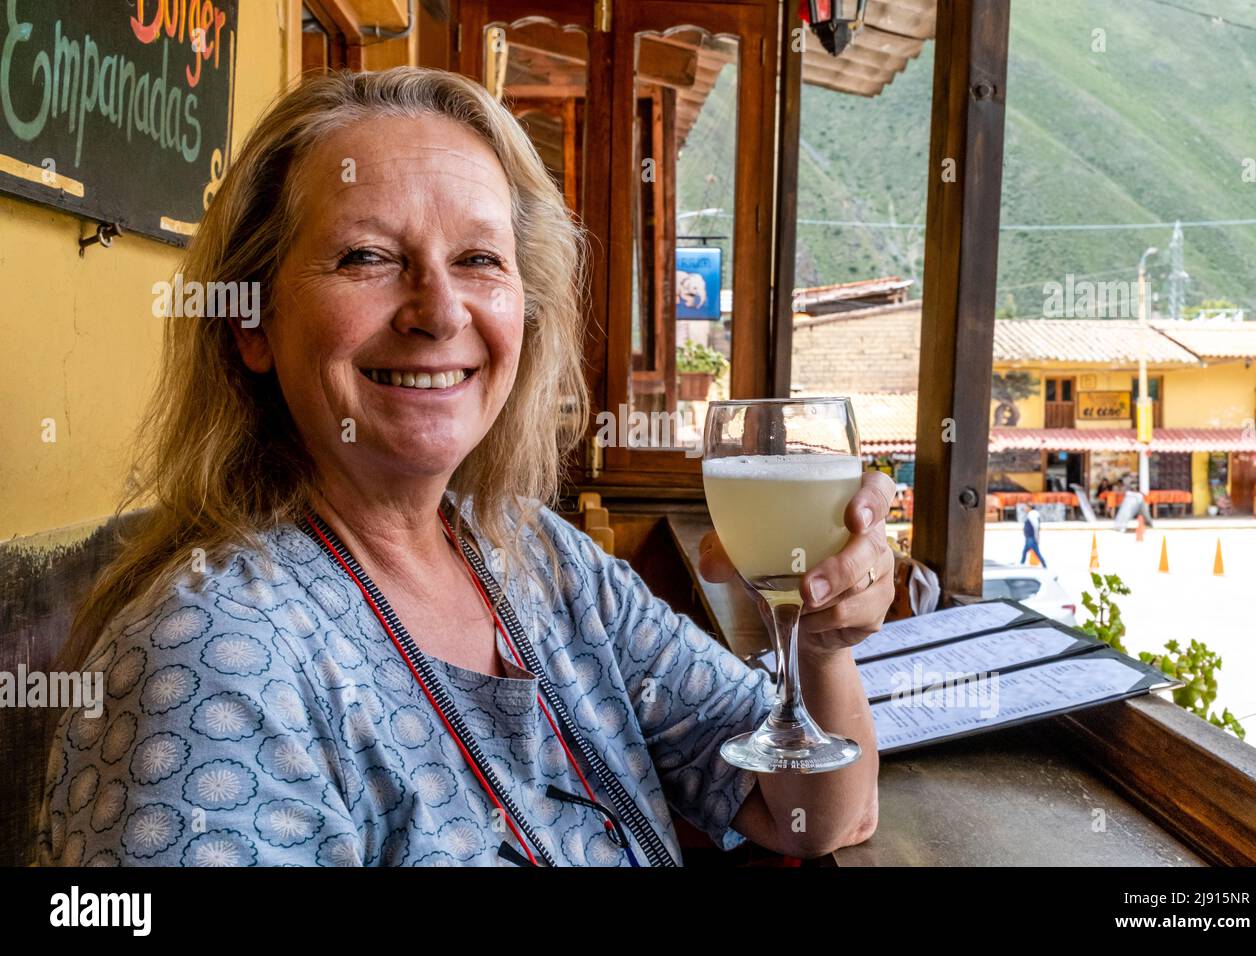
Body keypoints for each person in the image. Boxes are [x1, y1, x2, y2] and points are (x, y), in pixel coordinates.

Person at [36, 68, 895, 867]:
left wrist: (820, 647)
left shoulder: (535, 555)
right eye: (367, 257)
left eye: (479, 260)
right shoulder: (210, 662)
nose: (440, 311)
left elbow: (817, 812)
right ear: (249, 322)